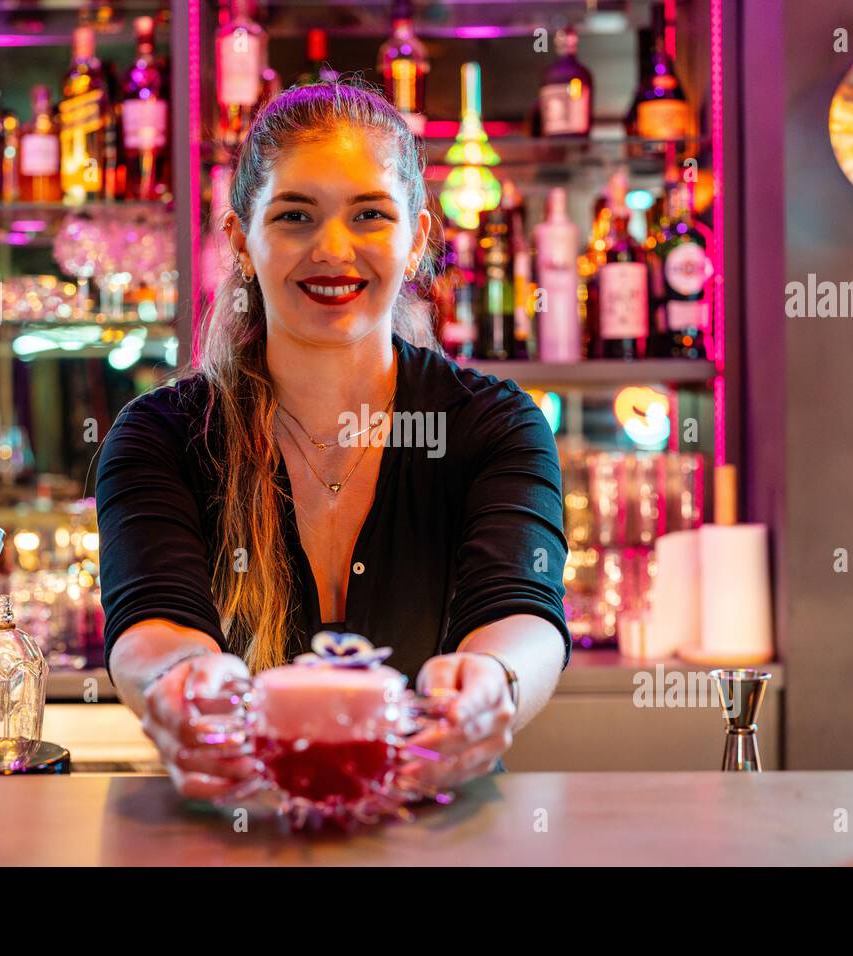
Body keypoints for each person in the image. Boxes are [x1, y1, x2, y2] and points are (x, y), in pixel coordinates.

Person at [96, 80, 570, 802]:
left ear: (416, 240)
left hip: (439, 831)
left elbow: (520, 612)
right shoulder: (162, 435)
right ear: (240, 243)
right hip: (242, 832)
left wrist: (494, 686)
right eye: (294, 215)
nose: (332, 249)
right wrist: (180, 686)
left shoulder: (494, 426)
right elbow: (155, 627)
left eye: (370, 215)